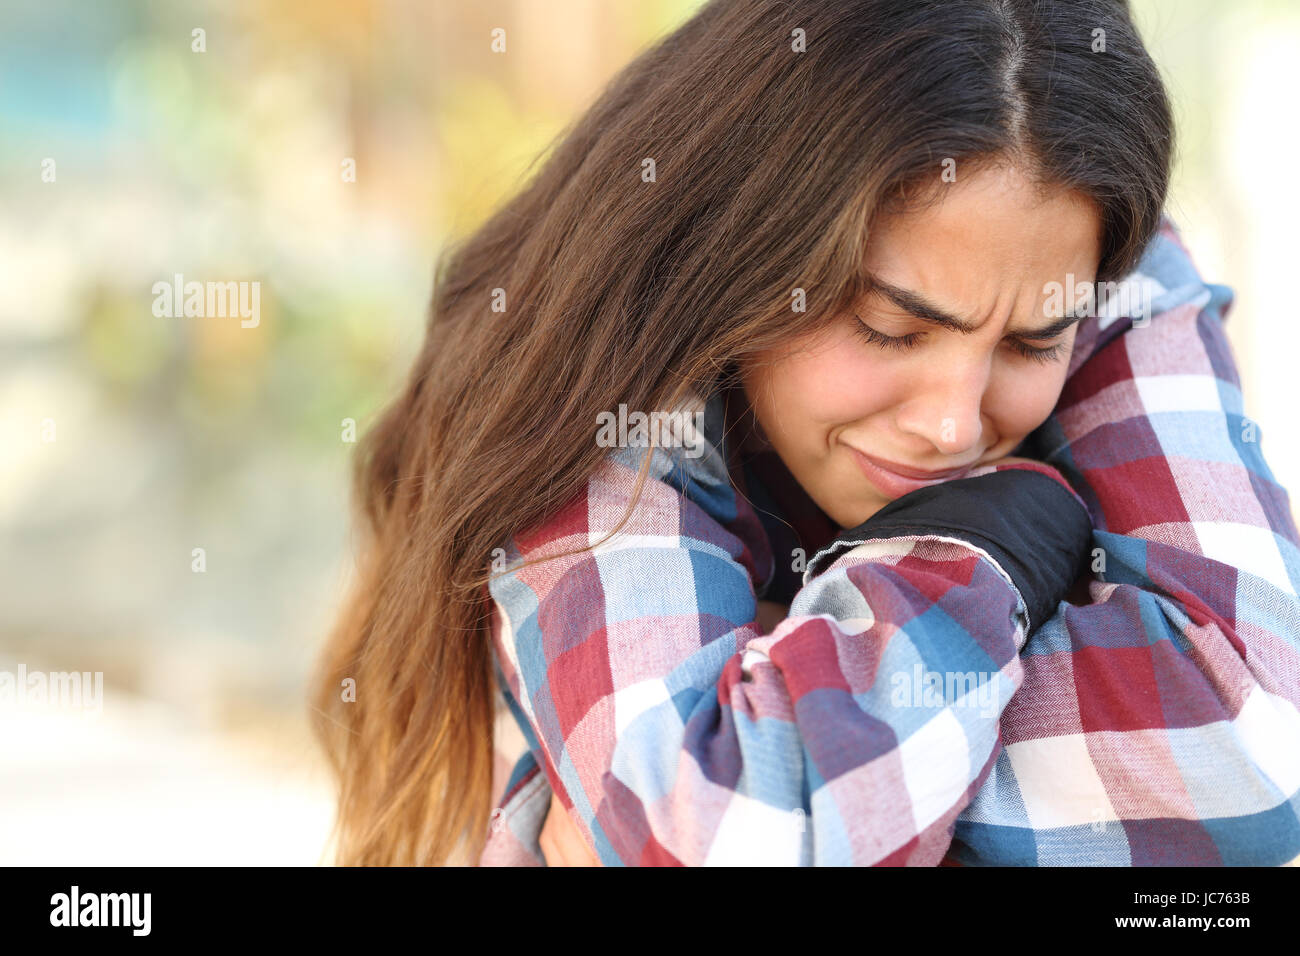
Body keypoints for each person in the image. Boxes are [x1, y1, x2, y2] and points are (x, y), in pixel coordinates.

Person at [311, 0, 1300, 866]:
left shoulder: (1100, 260)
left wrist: (820, 774)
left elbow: (1262, 748)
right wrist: (995, 534)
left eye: (1035, 342)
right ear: (746, 249)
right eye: (887, 326)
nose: (954, 422)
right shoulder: (600, 365)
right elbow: (718, 834)